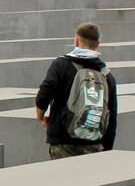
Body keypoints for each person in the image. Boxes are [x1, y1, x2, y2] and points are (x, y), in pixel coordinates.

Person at [34, 22, 118, 159]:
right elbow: (112, 118)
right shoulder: (107, 75)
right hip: (94, 144)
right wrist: (107, 150)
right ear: (98, 44)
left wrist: (41, 117)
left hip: (63, 141)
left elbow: (44, 95)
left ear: (76, 40)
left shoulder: (61, 65)